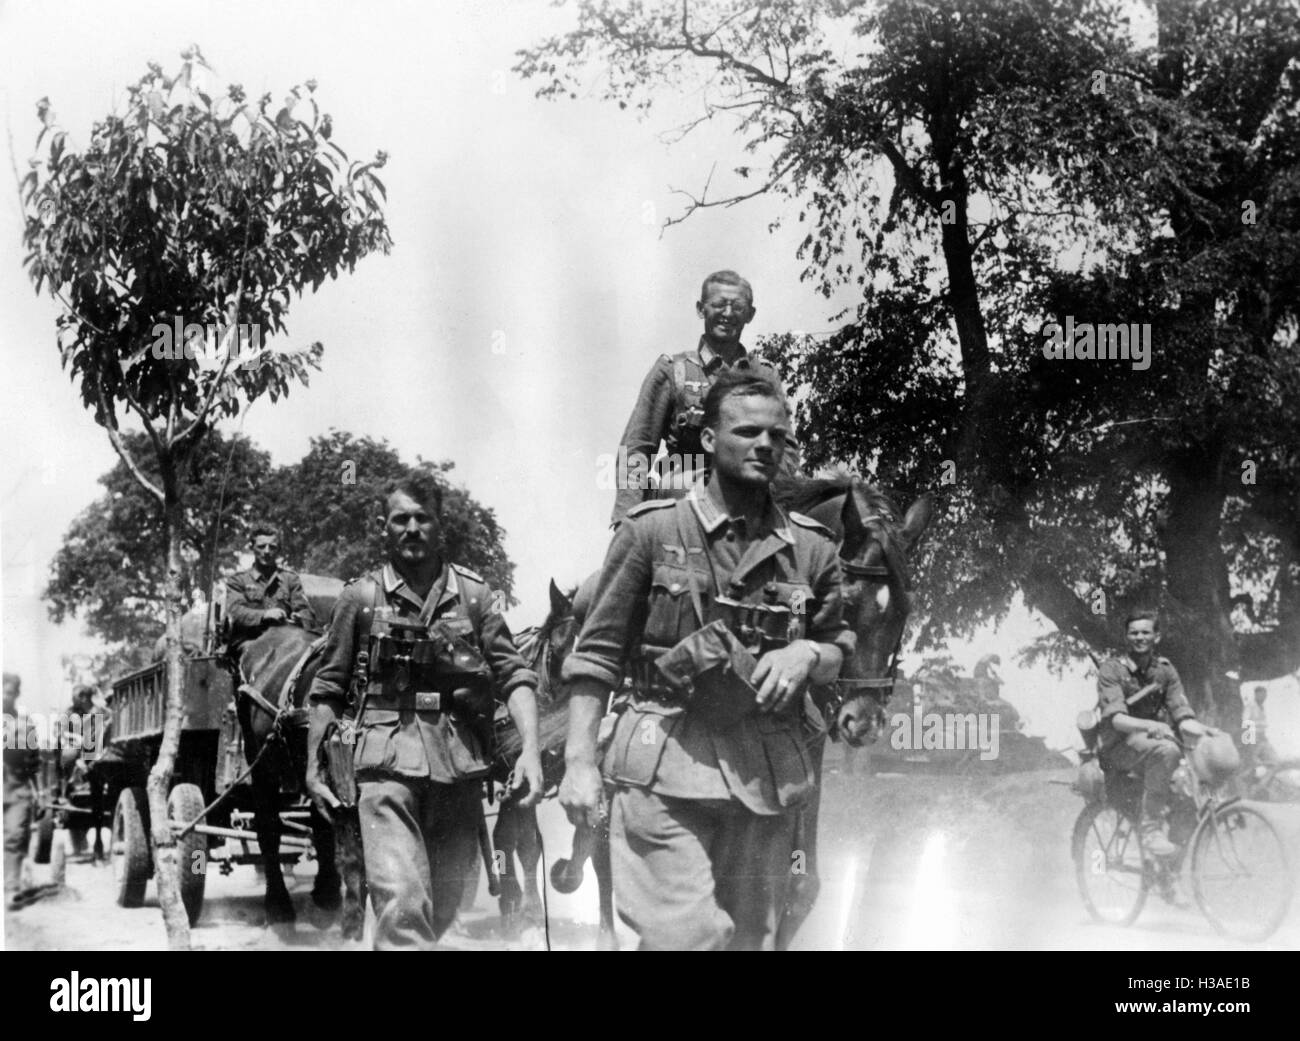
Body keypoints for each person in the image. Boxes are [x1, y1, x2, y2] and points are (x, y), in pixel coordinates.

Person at [561, 368, 854, 950]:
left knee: (750, 943)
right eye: (747, 431)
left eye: (777, 435)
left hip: (764, 778)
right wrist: (577, 762)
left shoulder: (813, 550)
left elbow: (842, 646)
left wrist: (808, 652)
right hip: (664, 766)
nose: (765, 445)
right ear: (708, 440)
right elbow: (595, 656)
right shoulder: (651, 532)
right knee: (690, 938)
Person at [304, 477, 544, 949]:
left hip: (459, 765)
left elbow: (514, 677)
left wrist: (531, 750)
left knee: (447, 907)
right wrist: (314, 762)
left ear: (440, 527)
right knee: (403, 904)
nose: (412, 528)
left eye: (423, 518)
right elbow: (328, 686)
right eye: (401, 519)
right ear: (384, 529)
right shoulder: (362, 598)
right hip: (385, 766)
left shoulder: (475, 597)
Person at [610, 270, 801, 527]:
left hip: (752, 499)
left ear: (750, 314)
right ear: (701, 309)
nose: (728, 313)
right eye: (719, 304)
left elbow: (786, 448)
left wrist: (774, 489)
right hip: (683, 498)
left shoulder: (764, 376)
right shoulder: (672, 371)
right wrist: (627, 516)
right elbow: (636, 448)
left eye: (738, 306)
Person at [1095, 610, 1208, 857]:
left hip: (1150, 749)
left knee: (1187, 800)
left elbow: (1182, 715)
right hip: (1118, 748)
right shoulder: (1112, 670)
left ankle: (1170, 868)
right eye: (1134, 632)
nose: (1139, 637)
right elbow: (1117, 720)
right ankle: (1150, 831)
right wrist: (1151, 726)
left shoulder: (1165, 671)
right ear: (1126, 637)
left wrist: (1206, 731)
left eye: (1146, 632)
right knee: (1167, 750)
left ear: (1156, 637)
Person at [224, 525, 314, 653]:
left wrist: (299, 617)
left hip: (286, 642)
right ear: (252, 548)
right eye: (261, 546)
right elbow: (235, 611)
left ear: (279, 550)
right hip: (249, 642)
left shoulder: (290, 579)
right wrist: (265, 615)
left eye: (272, 547)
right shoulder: (238, 581)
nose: (266, 551)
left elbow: (306, 611)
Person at [4, 673, 41, 909]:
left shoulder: (25, 725)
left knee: (15, 837)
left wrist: (38, 793)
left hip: (16, 788)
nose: (4, 697)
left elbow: (33, 763)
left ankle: (11, 888)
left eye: (9, 692)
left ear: (16, 694)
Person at [1243, 685, 1278, 773]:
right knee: (1253, 760)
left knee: (1272, 758)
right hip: (1252, 735)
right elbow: (1245, 721)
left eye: (1265, 696)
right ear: (1256, 695)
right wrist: (1251, 738)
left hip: (1262, 735)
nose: (1264, 697)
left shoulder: (1262, 707)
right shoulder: (1250, 706)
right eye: (1262, 695)